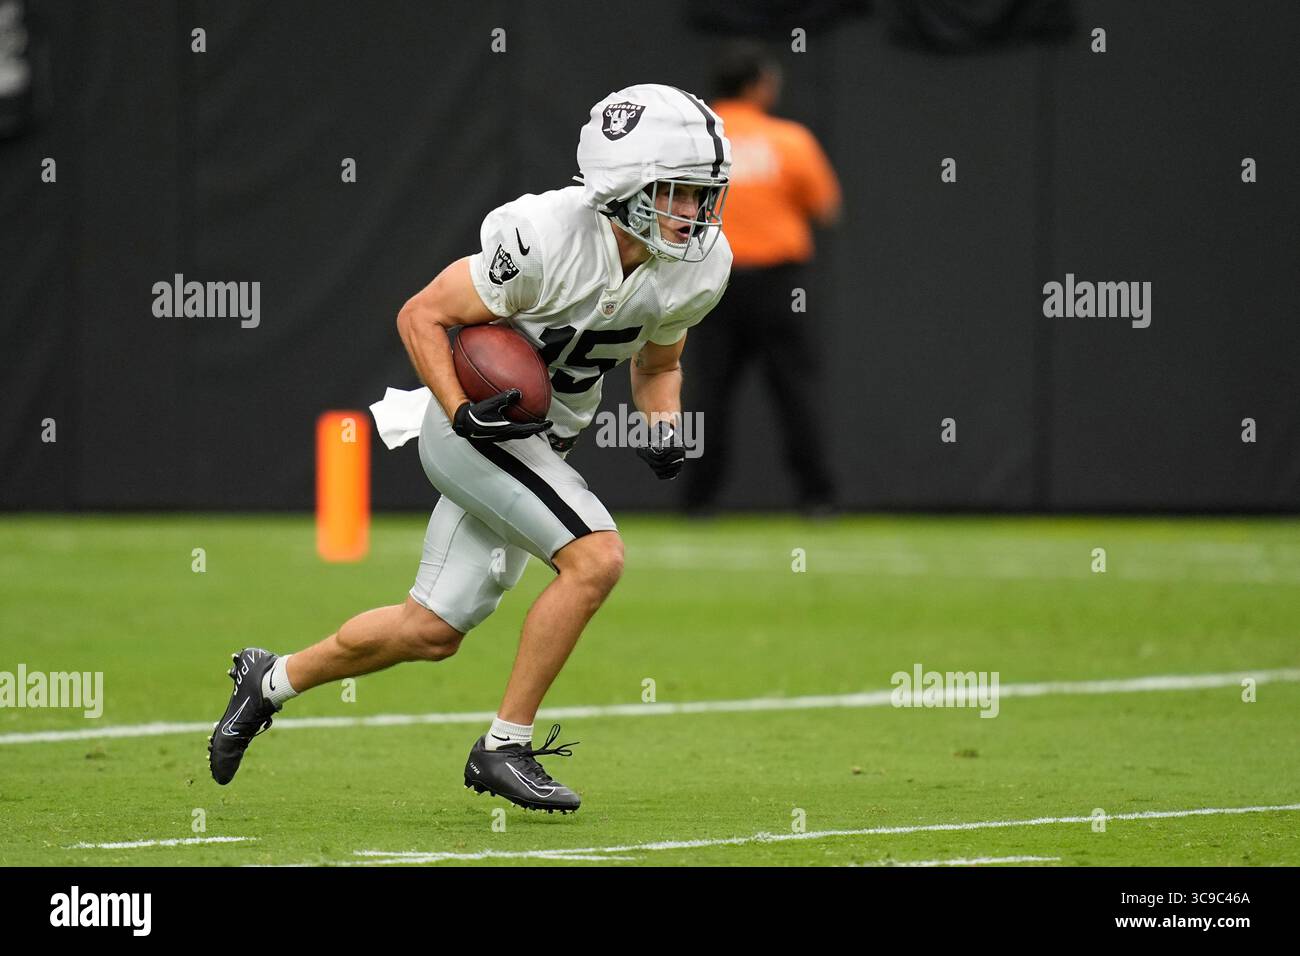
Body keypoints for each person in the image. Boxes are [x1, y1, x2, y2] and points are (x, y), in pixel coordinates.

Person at [206, 84, 733, 814]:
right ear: (624, 186)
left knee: (431, 629)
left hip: (544, 446)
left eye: (705, 195)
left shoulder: (698, 266)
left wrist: (663, 426)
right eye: (679, 193)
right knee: (596, 558)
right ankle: (504, 746)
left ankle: (265, 682)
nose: (696, 213)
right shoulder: (547, 236)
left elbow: (659, 364)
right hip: (478, 431)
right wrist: (460, 412)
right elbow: (422, 315)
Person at [684, 41, 842, 515]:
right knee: (796, 390)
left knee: (707, 392)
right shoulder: (790, 139)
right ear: (758, 85)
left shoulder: (695, 141)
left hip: (711, 281)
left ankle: (697, 502)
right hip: (779, 286)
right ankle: (817, 500)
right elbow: (827, 209)